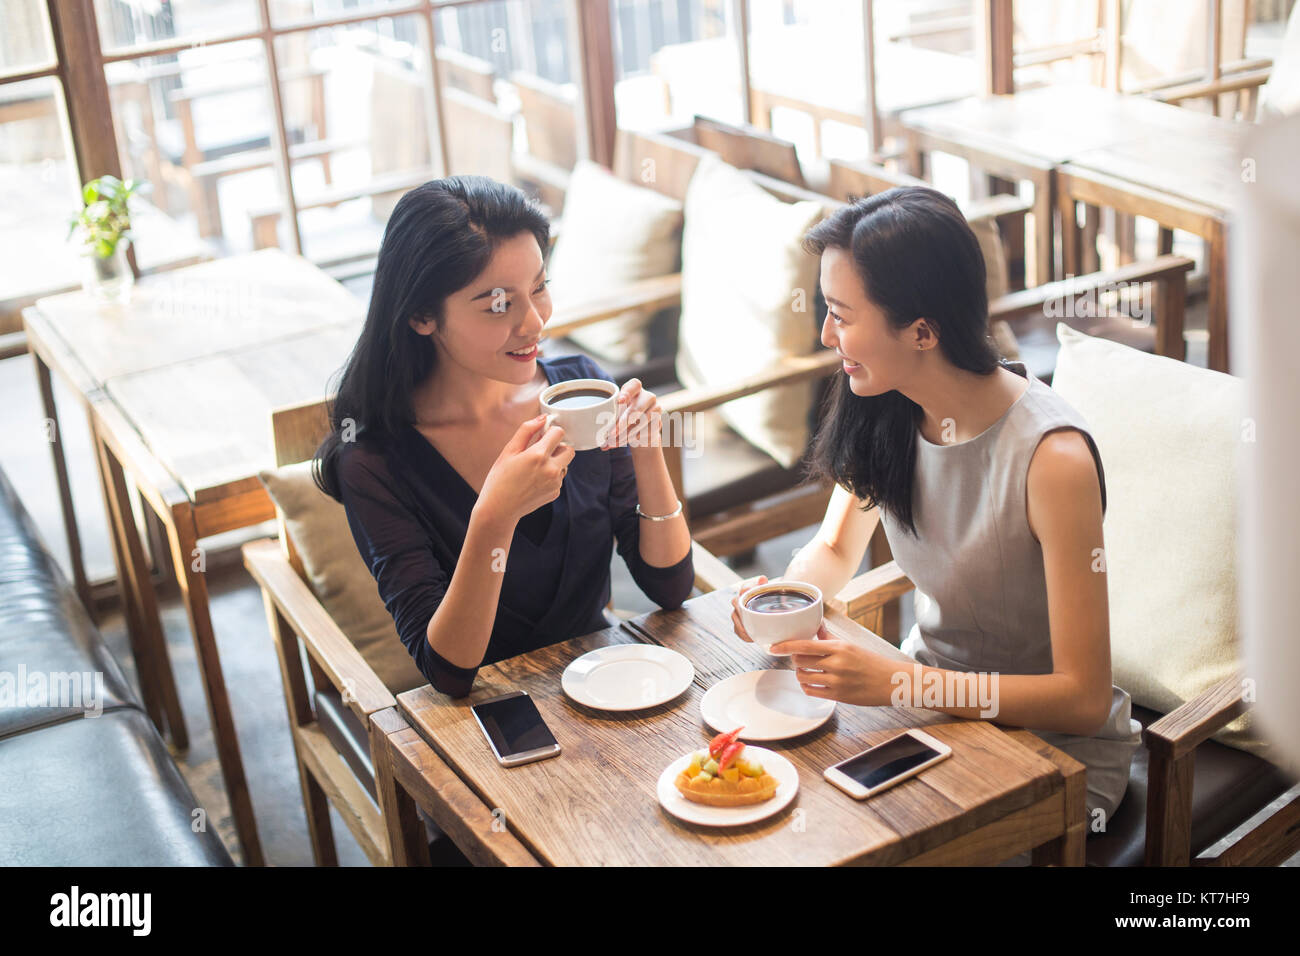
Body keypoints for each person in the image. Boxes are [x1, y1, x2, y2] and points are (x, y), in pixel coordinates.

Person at [730, 186, 1141, 826]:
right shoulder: (884, 402)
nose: (825, 333)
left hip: (1052, 751)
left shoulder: (1052, 460)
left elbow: (1083, 699)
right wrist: (782, 602)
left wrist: (902, 684)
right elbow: (837, 548)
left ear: (922, 331)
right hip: (928, 707)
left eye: (841, 313)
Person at [315, 176, 693, 698]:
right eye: (498, 305)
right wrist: (494, 515)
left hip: (605, 684)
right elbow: (448, 672)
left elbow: (669, 587)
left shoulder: (578, 393)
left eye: (539, 287)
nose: (534, 323)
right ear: (422, 315)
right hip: (485, 720)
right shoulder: (373, 463)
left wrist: (648, 450)